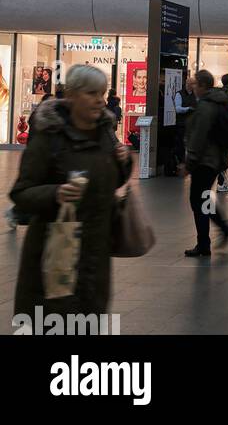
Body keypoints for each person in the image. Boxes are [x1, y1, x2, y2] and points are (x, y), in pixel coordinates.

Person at [10, 64, 134, 320]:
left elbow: (112, 182)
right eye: (92, 93)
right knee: (57, 322)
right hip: (56, 252)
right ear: (72, 96)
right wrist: (56, 193)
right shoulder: (49, 136)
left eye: (102, 93)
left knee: (88, 321)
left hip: (96, 254)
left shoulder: (106, 132)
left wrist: (124, 162)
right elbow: (21, 193)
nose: (100, 101)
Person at [184, 70, 228, 258]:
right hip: (215, 160)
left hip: (204, 161)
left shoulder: (206, 106)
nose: (193, 87)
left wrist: (189, 163)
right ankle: (214, 235)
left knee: (196, 200)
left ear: (203, 86)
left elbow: (198, 138)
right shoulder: (220, 101)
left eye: (196, 84)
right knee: (204, 197)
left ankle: (206, 241)